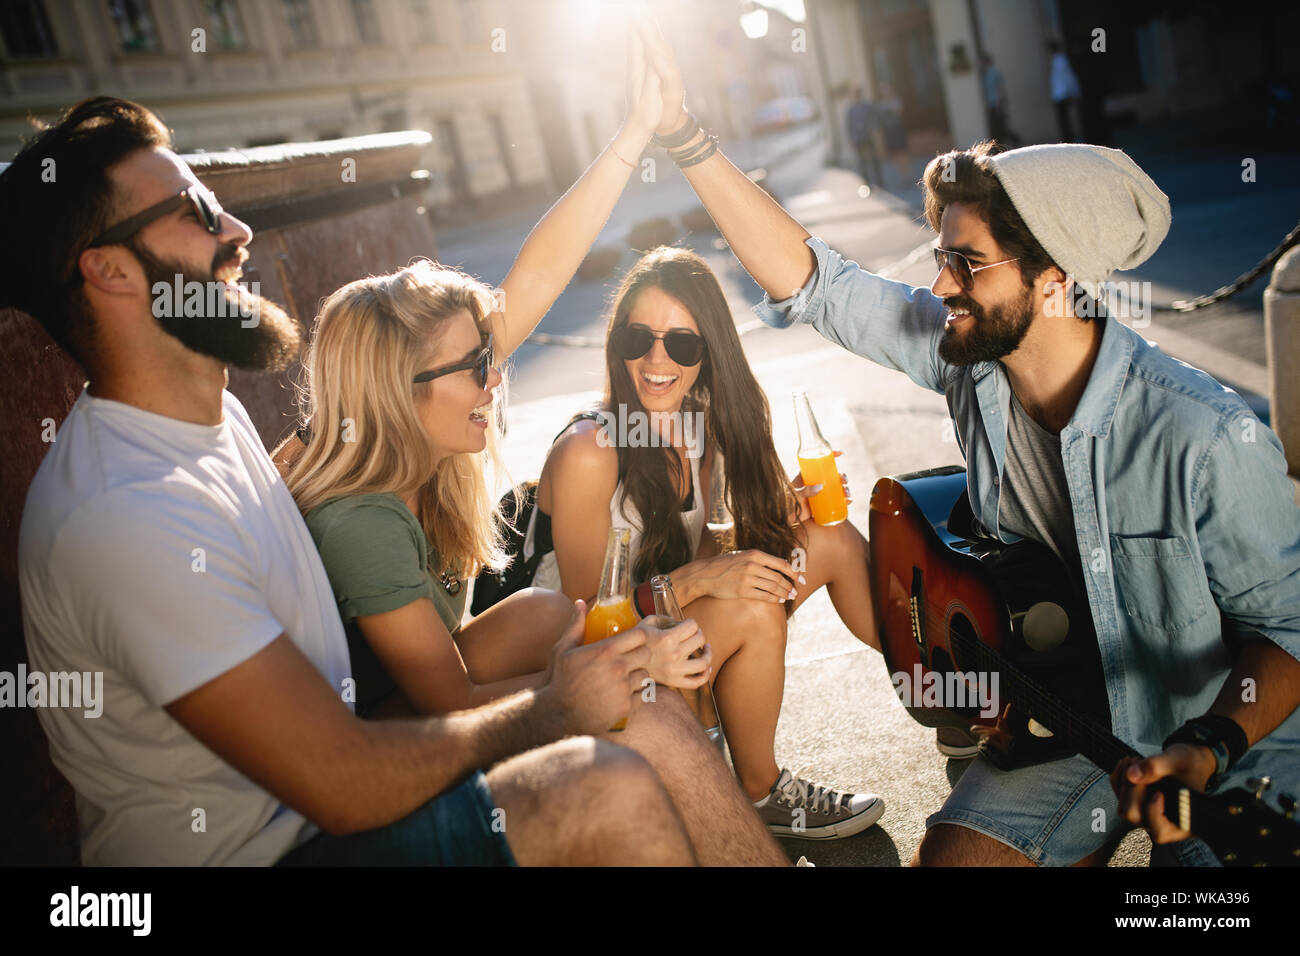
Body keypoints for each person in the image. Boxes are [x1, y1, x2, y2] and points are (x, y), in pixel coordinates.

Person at [4, 90, 763, 866]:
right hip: (279, 849)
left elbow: (522, 292)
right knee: (613, 772)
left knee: (620, 691)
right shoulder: (126, 514)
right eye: (195, 213)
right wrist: (558, 706)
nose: (236, 230)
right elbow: (343, 781)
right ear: (109, 270)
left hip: (332, 804)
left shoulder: (212, 424)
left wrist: (635, 129)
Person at [635, 19, 1300, 867]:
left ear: (1053, 278)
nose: (941, 283)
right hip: (1066, 723)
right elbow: (817, 282)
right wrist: (683, 138)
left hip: (1233, 761)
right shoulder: (971, 359)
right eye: (941, 255)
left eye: (967, 263)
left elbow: (1290, 630)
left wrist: (1207, 746)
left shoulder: (1204, 435)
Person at [278, 257, 786, 866]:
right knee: (636, 692)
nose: (494, 380)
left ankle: (713, 805)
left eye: (486, 358)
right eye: (474, 367)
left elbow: (537, 277)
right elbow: (450, 708)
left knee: (552, 616)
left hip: (424, 700)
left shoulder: (431, 471)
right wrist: (608, 669)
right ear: (399, 387)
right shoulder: (363, 522)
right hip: (378, 761)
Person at [528, 245, 886, 840]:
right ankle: (759, 788)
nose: (655, 359)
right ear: (617, 344)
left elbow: (715, 551)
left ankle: (945, 695)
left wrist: (779, 510)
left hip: (668, 628)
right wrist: (696, 582)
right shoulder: (590, 450)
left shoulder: (706, 427)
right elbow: (588, 622)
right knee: (755, 608)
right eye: (637, 338)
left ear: (708, 353)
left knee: (830, 536)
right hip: (592, 669)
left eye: (682, 344)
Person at [845, 88, 882, 187]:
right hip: (858, 139)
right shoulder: (851, 110)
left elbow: (873, 120)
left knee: (874, 160)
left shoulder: (867, 106)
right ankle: (867, 183)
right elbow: (849, 126)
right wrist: (851, 139)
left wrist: (874, 132)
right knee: (862, 162)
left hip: (868, 137)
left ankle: (879, 181)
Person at [1048, 39, 1081, 142]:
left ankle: (1069, 139)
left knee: (1065, 120)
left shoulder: (1060, 61)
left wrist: (1072, 91)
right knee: (1063, 120)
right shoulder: (1056, 61)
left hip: (1063, 94)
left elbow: (1067, 77)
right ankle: (1067, 138)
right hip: (1059, 94)